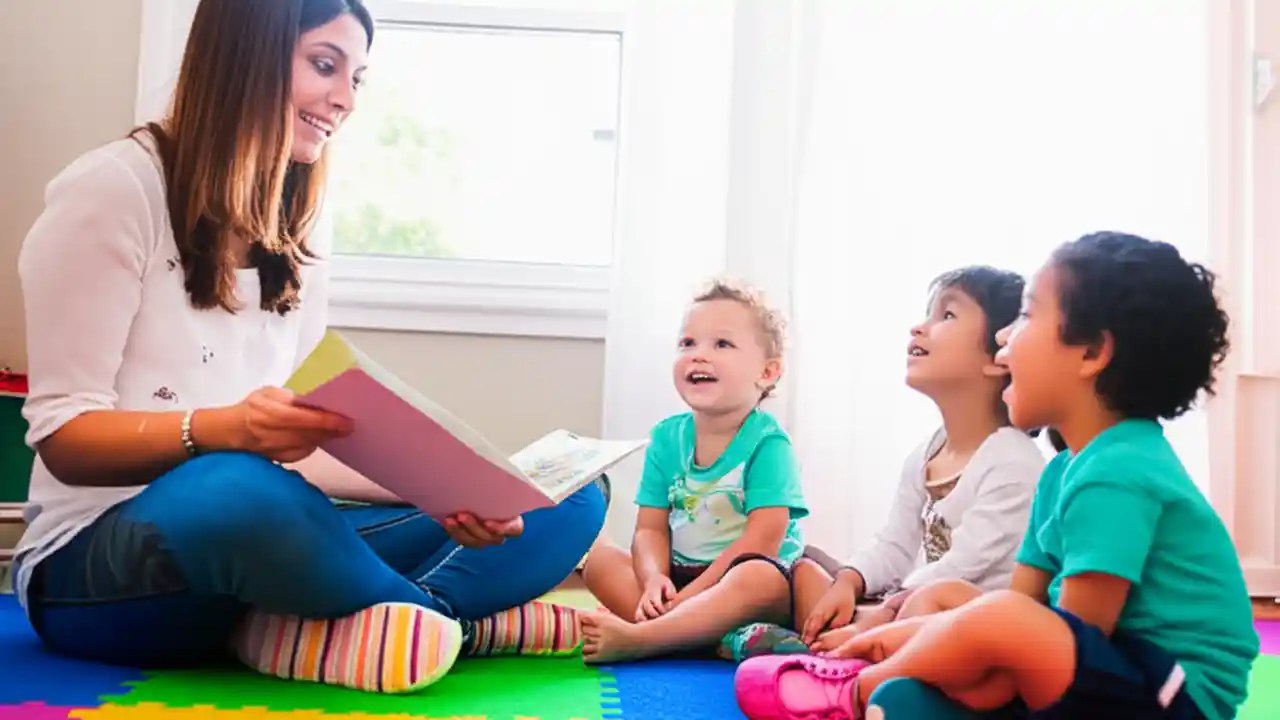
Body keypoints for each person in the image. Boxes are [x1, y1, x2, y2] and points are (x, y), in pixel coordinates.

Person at [14, 0, 604, 695]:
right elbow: (64, 437)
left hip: (261, 535)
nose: (346, 100)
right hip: (100, 563)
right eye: (325, 66)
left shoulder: (298, 224)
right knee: (237, 487)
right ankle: (460, 627)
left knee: (572, 499)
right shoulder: (114, 189)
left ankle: (345, 626)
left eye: (357, 78)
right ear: (247, 53)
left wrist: (448, 492)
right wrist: (224, 432)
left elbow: (304, 447)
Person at [736, 232, 1259, 720]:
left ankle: (852, 691)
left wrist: (912, 644)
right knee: (945, 602)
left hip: (1173, 691)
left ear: (1093, 353)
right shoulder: (1063, 471)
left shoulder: (1120, 470)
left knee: (1000, 619)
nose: (1006, 336)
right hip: (1104, 664)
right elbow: (1028, 602)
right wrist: (901, 632)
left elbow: (1076, 636)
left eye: (1027, 315)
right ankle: (891, 683)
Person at [792, 267, 1047, 656]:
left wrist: (882, 613)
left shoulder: (1013, 461)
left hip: (968, 624)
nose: (918, 328)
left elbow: (960, 568)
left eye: (946, 315)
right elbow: (894, 546)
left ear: (999, 358)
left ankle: (836, 649)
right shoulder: (927, 454)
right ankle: (834, 640)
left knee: (913, 608)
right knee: (807, 566)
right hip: (914, 601)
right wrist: (849, 581)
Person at [578, 278, 808, 663]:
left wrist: (690, 597)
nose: (699, 355)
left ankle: (648, 637)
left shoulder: (769, 444)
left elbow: (760, 544)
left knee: (758, 580)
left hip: (741, 578)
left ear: (767, 373)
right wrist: (654, 580)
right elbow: (650, 529)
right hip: (679, 579)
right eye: (688, 343)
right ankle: (707, 636)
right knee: (599, 561)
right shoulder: (666, 439)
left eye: (722, 344)